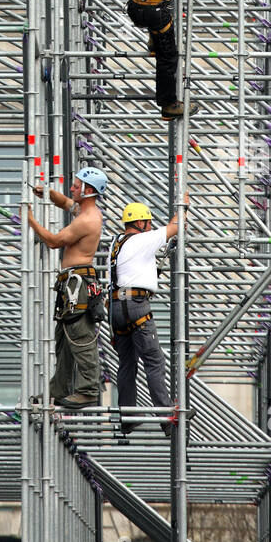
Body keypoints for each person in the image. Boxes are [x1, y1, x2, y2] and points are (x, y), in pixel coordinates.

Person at [26, 167, 107, 409]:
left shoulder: (87, 220)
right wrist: (49, 193)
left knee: (79, 335)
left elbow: (53, 241)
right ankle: (58, 388)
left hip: (78, 283)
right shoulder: (85, 210)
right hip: (70, 283)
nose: (71, 188)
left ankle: (89, 389)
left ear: (88, 190)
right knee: (64, 339)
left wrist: (29, 219)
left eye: (76, 185)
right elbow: (67, 203)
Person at [110, 195, 189, 435]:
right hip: (136, 305)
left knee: (127, 363)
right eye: (149, 222)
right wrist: (183, 204)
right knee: (154, 360)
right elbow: (177, 226)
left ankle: (127, 416)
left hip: (116, 307)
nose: (152, 227)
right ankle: (166, 416)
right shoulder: (142, 239)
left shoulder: (117, 242)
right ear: (141, 223)